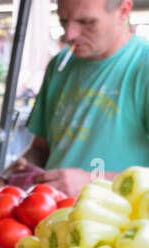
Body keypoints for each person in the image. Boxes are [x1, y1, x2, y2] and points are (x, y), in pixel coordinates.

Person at [8, 0, 149, 197]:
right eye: (63, 20)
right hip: (52, 218)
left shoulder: (144, 65)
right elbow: (42, 148)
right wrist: (20, 171)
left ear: (123, 11)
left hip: (118, 223)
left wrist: (93, 181)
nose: (69, 35)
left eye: (86, 22)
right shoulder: (59, 65)